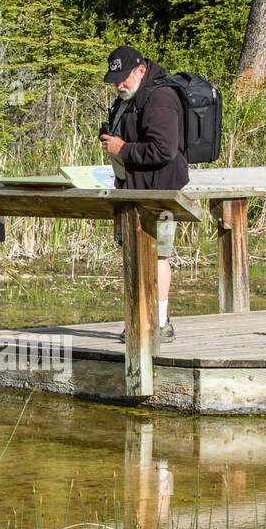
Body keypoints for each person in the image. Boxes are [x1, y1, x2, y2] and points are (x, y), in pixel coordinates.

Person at [99, 45, 188, 342]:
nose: (118, 84)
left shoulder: (161, 97)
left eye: (123, 77)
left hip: (157, 191)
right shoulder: (129, 97)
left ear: (140, 69)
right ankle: (139, 319)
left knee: (158, 254)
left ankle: (159, 324)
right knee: (134, 254)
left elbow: (164, 149)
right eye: (114, 79)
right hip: (133, 188)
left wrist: (121, 149)